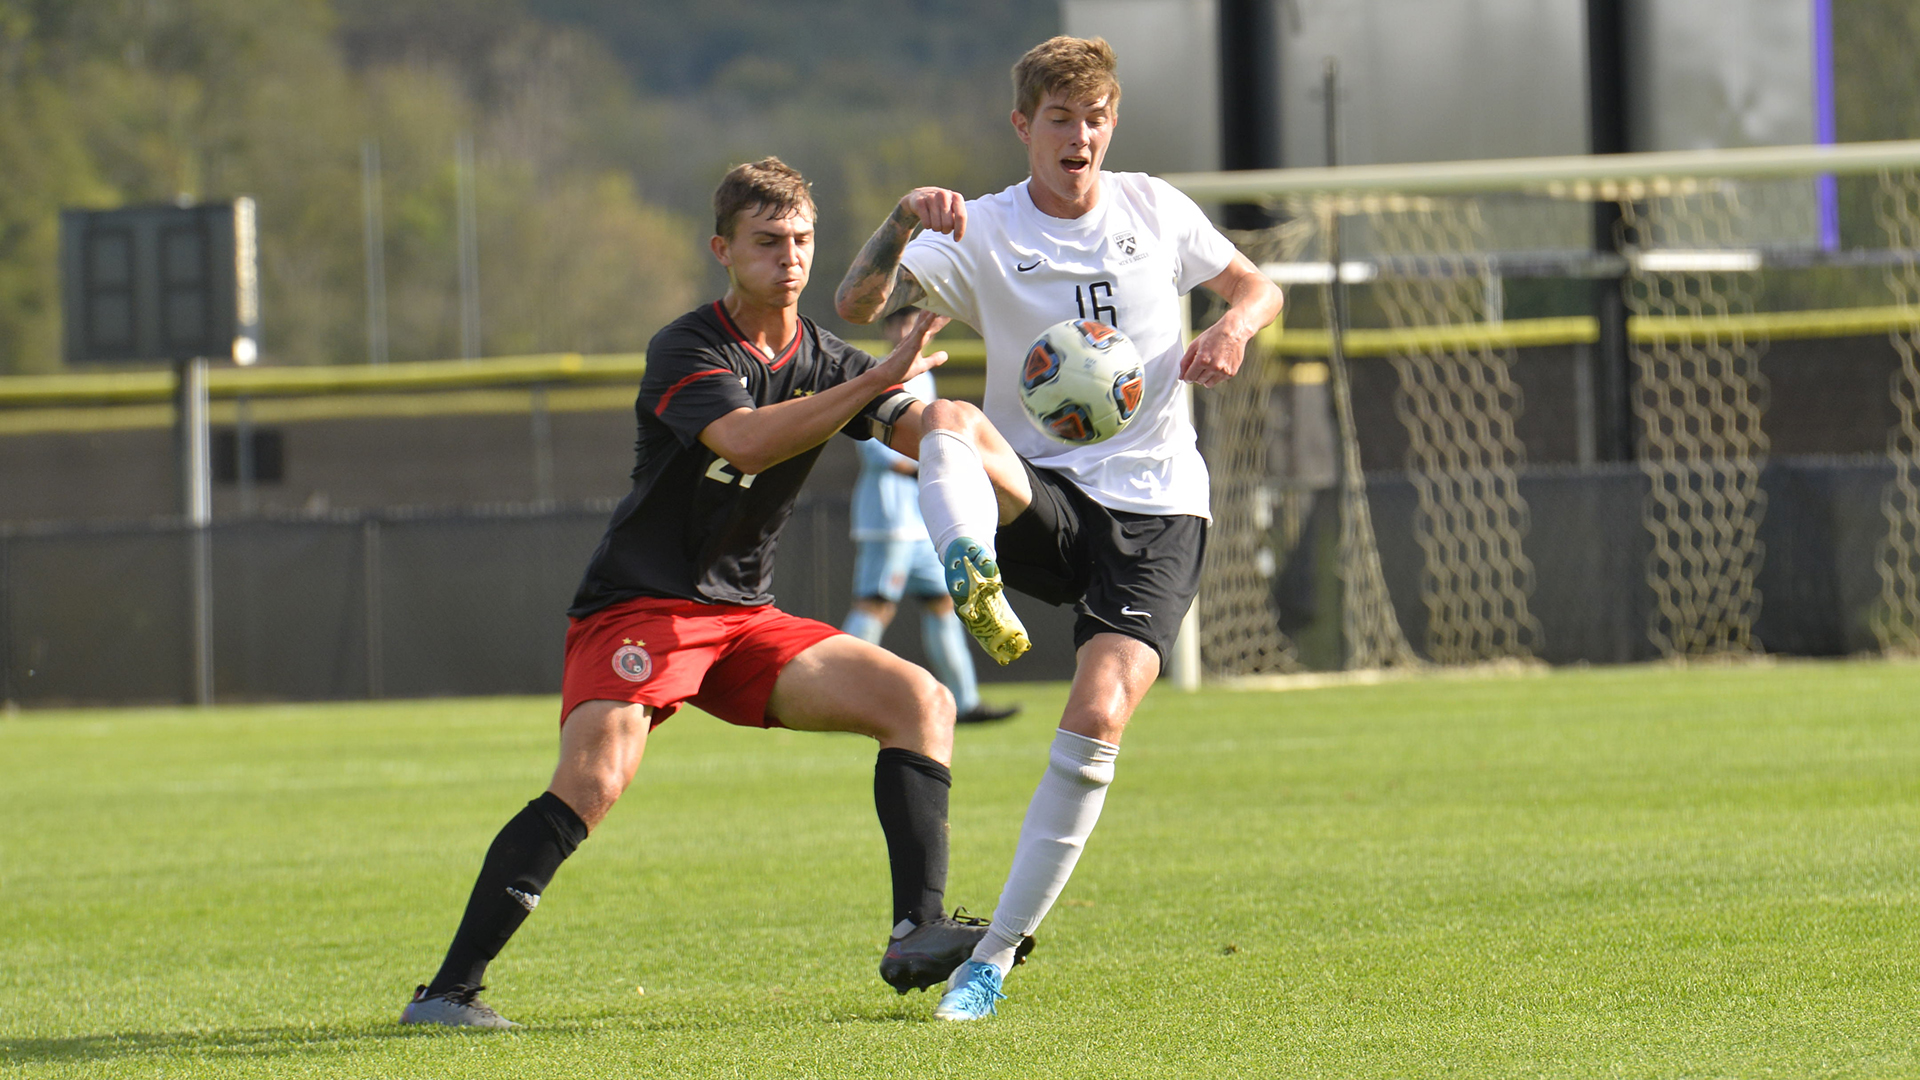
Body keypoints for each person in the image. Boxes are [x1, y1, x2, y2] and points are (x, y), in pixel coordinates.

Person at [400, 158, 1020, 1029]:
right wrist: (876, 383)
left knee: (919, 699)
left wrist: (990, 446)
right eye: (768, 242)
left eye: (803, 241)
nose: (790, 258)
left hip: (741, 620)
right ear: (722, 248)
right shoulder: (689, 346)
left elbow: (925, 436)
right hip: (642, 605)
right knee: (594, 781)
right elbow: (747, 440)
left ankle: (916, 927)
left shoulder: (830, 357)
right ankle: (446, 994)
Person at [834, 36, 1284, 1021]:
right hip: (1043, 493)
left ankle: (990, 957)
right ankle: (968, 569)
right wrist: (903, 218)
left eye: (1094, 118)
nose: (1079, 136)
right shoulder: (985, 230)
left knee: (1099, 714)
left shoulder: (1155, 208)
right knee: (947, 421)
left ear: (1110, 124)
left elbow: (1257, 285)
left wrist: (1232, 327)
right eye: (1059, 119)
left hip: (1160, 506)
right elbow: (858, 303)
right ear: (1024, 128)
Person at [843, 305, 1020, 726]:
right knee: (876, 604)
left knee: (943, 602)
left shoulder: (925, 377)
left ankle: (966, 701)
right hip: (890, 516)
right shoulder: (881, 375)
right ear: (887, 330)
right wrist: (949, 463)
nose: (909, 330)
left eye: (914, 322)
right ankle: (836, 692)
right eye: (900, 323)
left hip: (923, 518)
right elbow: (883, 453)